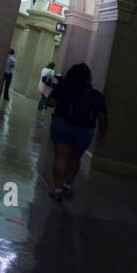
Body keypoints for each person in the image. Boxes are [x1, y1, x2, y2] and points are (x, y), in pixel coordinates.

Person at [45, 62, 107, 202]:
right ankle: (68, 185)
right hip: (86, 130)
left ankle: (58, 190)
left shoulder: (63, 88)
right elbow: (103, 118)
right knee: (75, 159)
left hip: (63, 124)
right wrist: (103, 135)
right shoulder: (96, 95)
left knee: (60, 158)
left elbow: (51, 103)